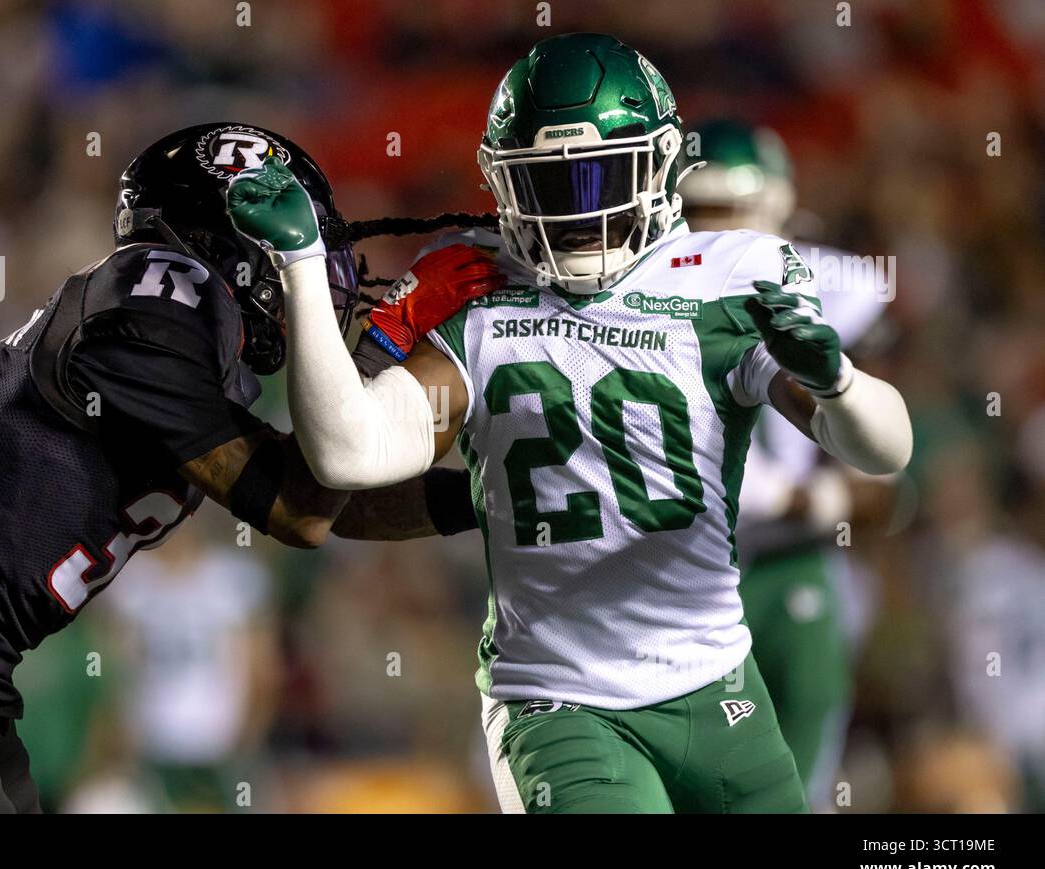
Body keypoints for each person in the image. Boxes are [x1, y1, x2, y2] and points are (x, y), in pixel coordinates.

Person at [229, 34, 913, 813]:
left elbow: (885, 449)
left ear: (657, 166)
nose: (580, 210)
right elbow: (352, 451)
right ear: (503, 184)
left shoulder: (727, 275)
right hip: (561, 700)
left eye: (600, 177)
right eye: (549, 184)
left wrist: (839, 382)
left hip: (719, 681)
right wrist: (304, 271)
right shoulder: (481, 288)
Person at [0, 122, 497, 814]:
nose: (312, 275)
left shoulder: (179, 333)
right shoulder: (155, 300)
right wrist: (387, 337)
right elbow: (301, 509)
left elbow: (343, 500)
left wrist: (495, 495)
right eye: (291, 248)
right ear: (234, 239)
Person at [679, 118, 899, 807]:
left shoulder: (835, 290)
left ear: (774, 211)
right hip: (674, 569)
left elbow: (884, 480)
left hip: (788, 567)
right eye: (699, 214)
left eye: (733, 212)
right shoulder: (639, 299)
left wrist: (800, 501)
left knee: (790, 790)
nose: (718, 236)